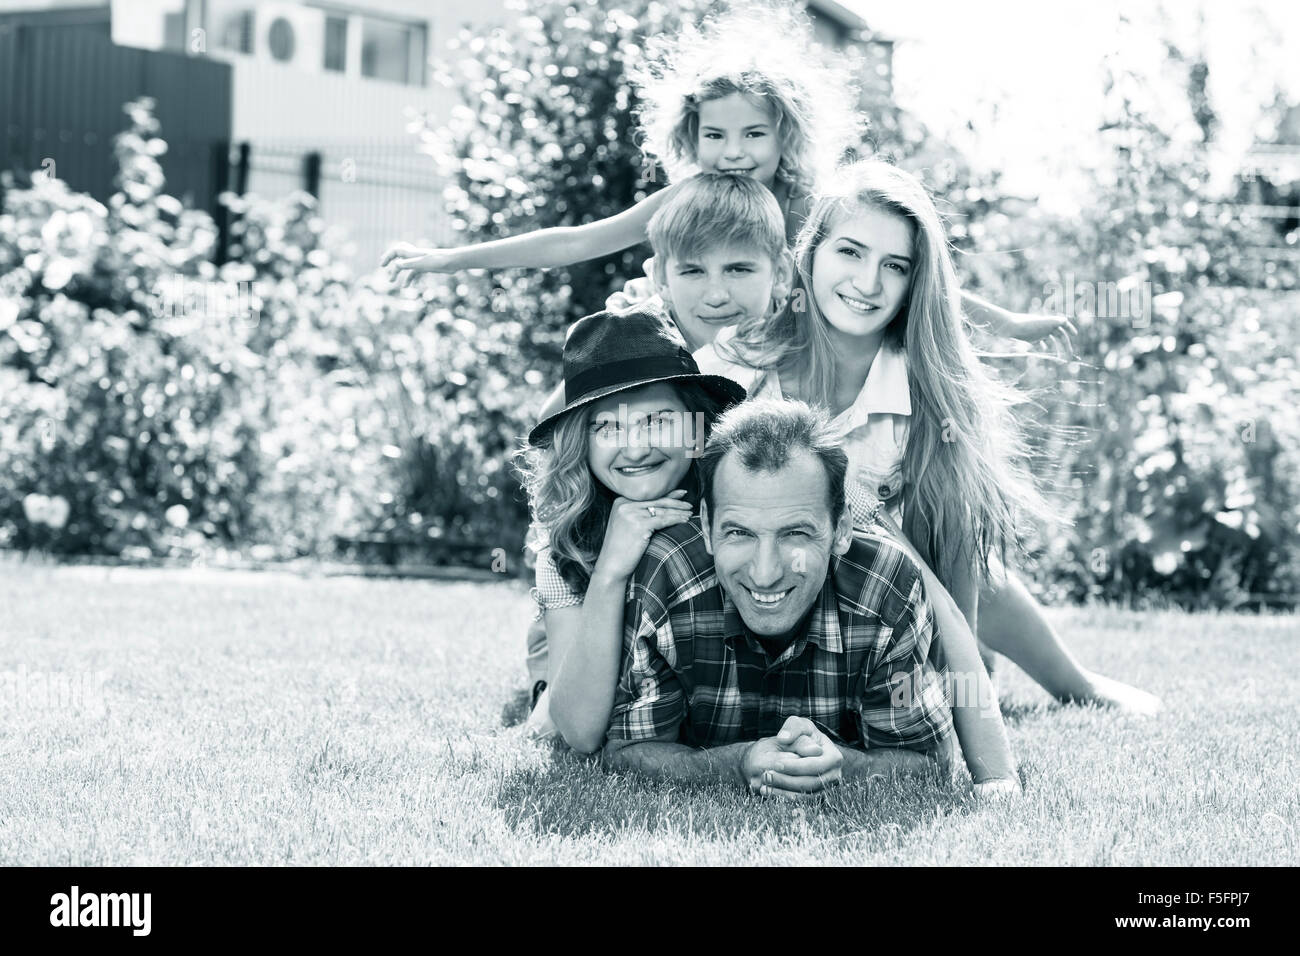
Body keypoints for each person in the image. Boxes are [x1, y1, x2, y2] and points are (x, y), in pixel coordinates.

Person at [698, 159, 1161, 713]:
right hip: (768, 577)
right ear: (809, 253)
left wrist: (955, 679)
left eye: (894, 265)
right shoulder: (736, 366)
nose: (868, 284)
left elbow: (956, 545)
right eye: (849, 252)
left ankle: (1067, 682)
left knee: (949, 534)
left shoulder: (926, 388)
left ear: (915, 279)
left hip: (884, 590)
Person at [380, 4, 1065, 345]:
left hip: (786, 373)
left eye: (752, 134)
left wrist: (1008, 321)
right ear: (690, 135)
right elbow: (575, 241)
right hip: (697, 365)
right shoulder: (687, 197)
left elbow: (902, 272)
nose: (733, 151)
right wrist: (445, 260)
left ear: (783, 134)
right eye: (715, 135)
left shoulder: (804, 207)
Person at [603, 398, 1021, 799]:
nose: (765, 573)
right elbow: (626, 753)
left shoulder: (886, 587)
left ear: (841, 530)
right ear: (708, 525)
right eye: (739, 533)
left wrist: (844, 766)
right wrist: (738, 763)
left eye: (796, 534)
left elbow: (926, 763)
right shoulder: (669, 575)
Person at [516, 307, 746, 751]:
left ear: (697, 425)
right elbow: (581, 734)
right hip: (583, 657)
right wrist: (608, 574)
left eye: (657, 420)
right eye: (607, 426)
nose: (636, 449)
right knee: (549, 719)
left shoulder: (739, 474)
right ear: (580, 442)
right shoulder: (566, 545)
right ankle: (542, 692)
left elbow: (851, 501)